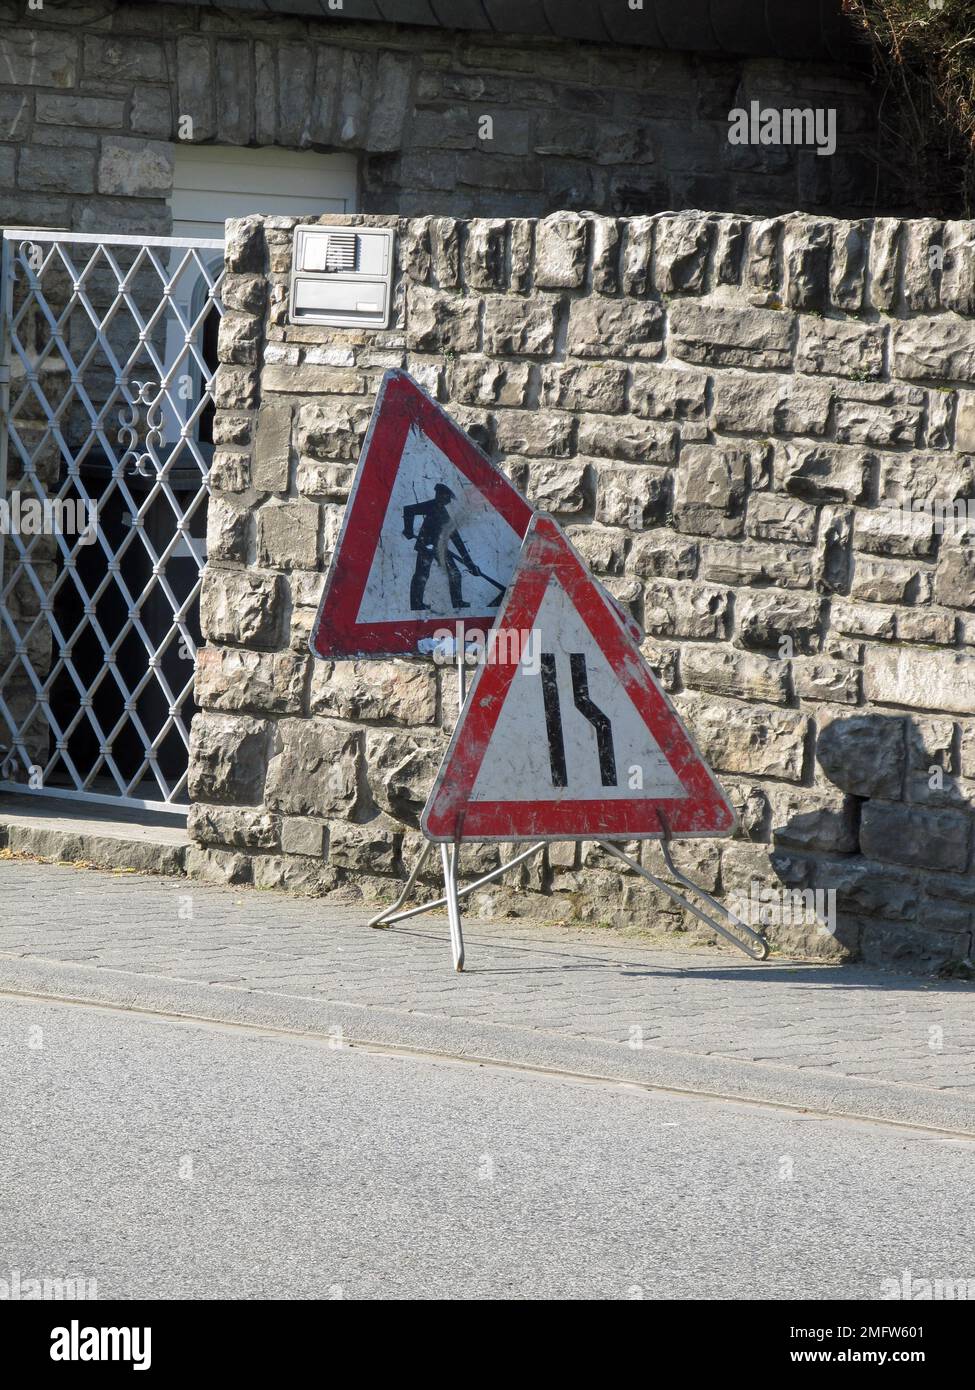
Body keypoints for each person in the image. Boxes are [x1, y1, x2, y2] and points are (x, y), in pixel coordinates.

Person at [402, 484, 480, 611]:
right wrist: (408, 529)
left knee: (454, 573)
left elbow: (457, 540)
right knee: (422, 574)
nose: (448, 500)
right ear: (440, 496)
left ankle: (457, 602)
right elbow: (408, 510)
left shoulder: (445, 515)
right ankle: (416, 604)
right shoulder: (430, 506)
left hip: (440, 549)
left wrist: (470, 565)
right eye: (447, 497)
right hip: (425, 546)